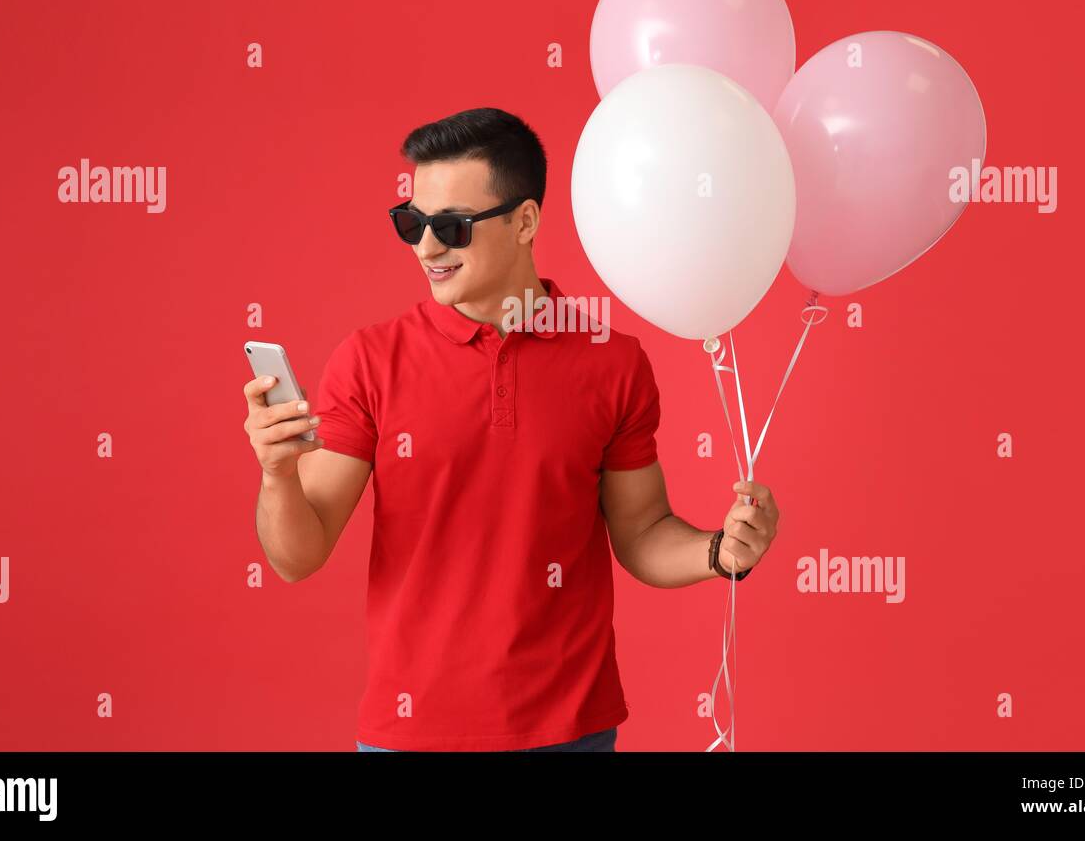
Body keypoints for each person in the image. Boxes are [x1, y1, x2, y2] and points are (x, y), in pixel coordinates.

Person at [243, 107, 780, 752]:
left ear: (525, 221)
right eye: (412, 223)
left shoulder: (610, 360)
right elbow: (297, 557)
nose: (427, 247)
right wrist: (278, 475)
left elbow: (641, 532)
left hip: (570, 731)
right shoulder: (368, 362)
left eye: (451, 227)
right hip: (410, 736)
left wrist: (719, 552)